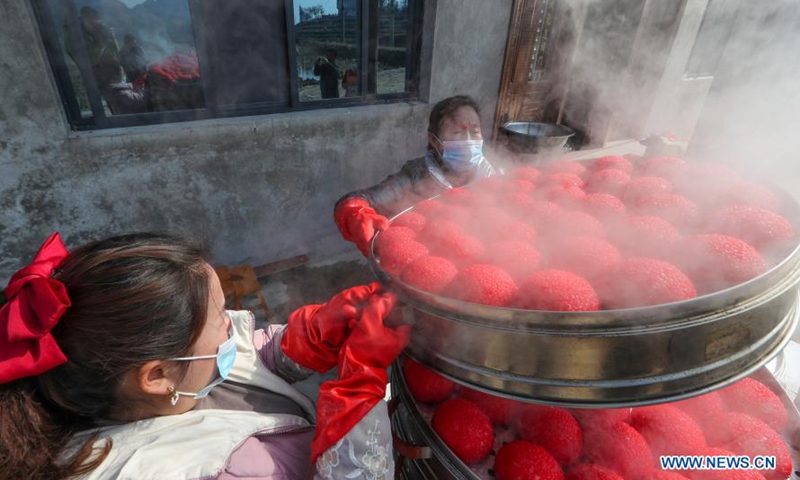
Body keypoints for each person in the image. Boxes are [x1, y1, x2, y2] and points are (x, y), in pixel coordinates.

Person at [0, 232, 409, 479]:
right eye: (219, 318)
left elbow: (247, 361)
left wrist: (310, 336)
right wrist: (358, 395)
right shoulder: (209, 470)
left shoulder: (157, 385)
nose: (232, 322)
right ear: (157, 375)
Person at [334, 95, 501, 256]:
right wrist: (356, 215)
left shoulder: (496, 173)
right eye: (457, 132)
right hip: (428, 262)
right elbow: (354, 200)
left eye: (475, 131)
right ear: (435, 141)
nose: (468, 140)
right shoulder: (416, 176)